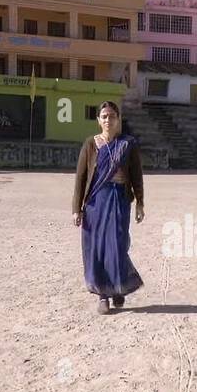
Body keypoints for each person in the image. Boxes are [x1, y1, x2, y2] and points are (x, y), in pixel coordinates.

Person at [72, 101, 144, 315]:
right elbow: (81, 177)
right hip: (95, 202)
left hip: (119, 199)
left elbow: (137, 176)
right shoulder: (90, 144)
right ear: (98, 120)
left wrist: (140, 202)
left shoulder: (128, 144)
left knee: (118, 245)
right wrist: (76, 208)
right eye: (104, 116)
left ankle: (119, 286)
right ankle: (104, 295)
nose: (108, 120)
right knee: (98, 248)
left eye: (112, 116)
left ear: (118, 119)